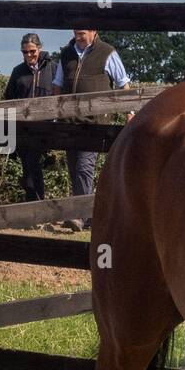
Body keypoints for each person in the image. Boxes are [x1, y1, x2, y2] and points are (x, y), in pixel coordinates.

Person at [52, 29, 131, 230]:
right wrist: (56, 112)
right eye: (76, 33)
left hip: (95, 123)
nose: (78, 37)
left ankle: (80, 215)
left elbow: (123, 83)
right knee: (73, 167)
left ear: (93, 31)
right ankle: (87, 216)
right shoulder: (66, 53)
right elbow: (58, 84)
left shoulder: (107, 52)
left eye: (82, 33)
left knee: (84, 168)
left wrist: (129, 111)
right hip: (70, 122)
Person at [3, 33, 54, 203]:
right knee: (29, 166)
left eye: (32, 51)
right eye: (25, 52)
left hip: (47, 127)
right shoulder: (18, 71)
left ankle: (36, 203)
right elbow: (8, 99)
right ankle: (34, 203)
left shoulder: (52, 68)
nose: (29, 55)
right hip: (23, 127)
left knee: (34, 166)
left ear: (39, 49)